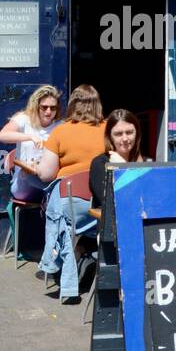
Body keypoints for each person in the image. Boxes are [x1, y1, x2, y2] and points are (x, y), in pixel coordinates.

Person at [29, 85, 106, 305]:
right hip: (103, 206)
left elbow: (45, 174)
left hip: (72, 207)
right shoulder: (110, 129)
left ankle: (61, 264)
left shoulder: (61, 131)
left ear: (72, 105)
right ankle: (86, 252)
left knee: (56, 211)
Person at [0, 85, 61, 204]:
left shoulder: (60, 125)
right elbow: (2, 135)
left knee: (58, 186)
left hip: (48, 178)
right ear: (36, 106)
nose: (49, 111)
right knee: (51, 191)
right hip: (24, 184)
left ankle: (49, 204)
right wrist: (30, 137)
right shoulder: (24, 120)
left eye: (53, 108)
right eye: (44, 107)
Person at [89, 108, 147, 211]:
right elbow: (111, 203)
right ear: (110, 137)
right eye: (118, 134)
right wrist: (123, 168)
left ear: (137, 133)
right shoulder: (100, 164)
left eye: (129, 132)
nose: (125, 139)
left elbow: (149, 198)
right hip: (114, 224)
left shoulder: (144, 161)